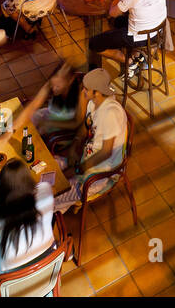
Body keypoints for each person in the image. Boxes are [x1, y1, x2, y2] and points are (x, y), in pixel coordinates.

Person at [54, 68, 128, 213]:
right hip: (85, 159)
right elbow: (83, 126)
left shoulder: (110, 113)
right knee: (50, 167)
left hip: (100, 173)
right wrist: (76, 145)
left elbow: (106, 152)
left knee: (51, 196)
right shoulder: (93, 103)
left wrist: (77, 169)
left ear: (97, 92)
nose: (83, 92)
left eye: (86, 89)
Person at [0, 160, 56, 273]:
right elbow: (42, 187)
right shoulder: (45, 192)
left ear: (2, 188)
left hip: (9, 288)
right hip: (47, 274)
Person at [86, 0, 168, 71]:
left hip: (140, 37)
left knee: (94, 43)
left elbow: (112, 12)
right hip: (157, 32)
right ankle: (137, 54)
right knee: (117, 22)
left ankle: (130, 62)